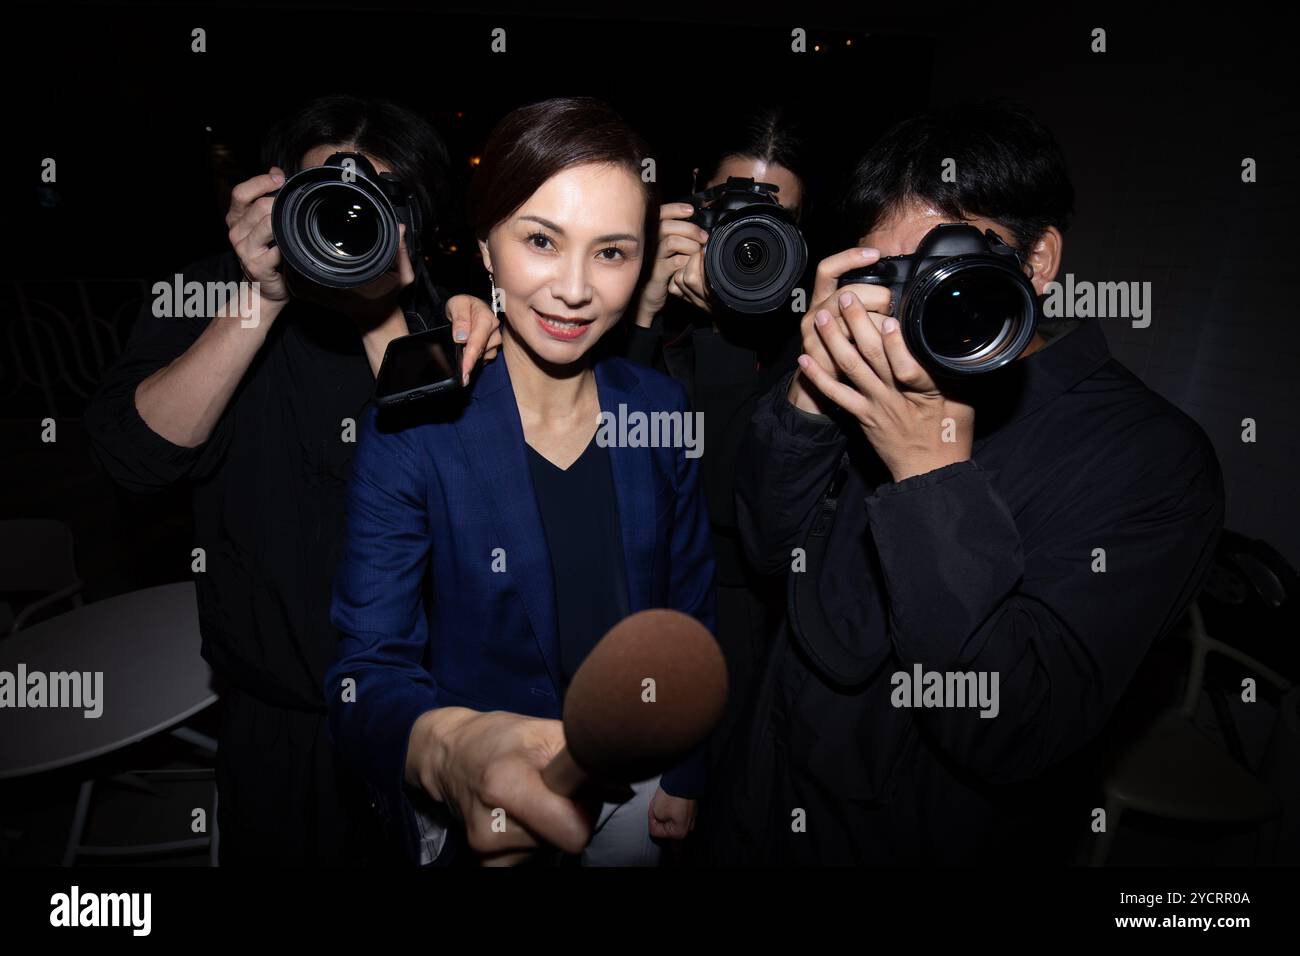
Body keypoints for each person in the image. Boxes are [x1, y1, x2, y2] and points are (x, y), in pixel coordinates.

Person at [712, 98, 1225, 865]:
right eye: (892, 271)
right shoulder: (863, 366)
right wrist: (811, 388)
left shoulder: (1153, 460)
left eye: (945, 266)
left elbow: (1014, 725)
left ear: (1038, 261)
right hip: (762, 797)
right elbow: (765, 546)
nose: (916, 302)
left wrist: (928, 471)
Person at [84, 94, 501, 865]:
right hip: (270, 715)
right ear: (278, 197)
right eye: (328, 194)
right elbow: (135, 461)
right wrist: (264, 295)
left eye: (377, 200)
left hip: (420, 708)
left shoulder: (443, 321)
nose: (349, 217)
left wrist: (380, 309)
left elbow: (462, 506)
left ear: (415, 219)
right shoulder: (212, 293)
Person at [326, 97, 717, 867]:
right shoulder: (414, 427)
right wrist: (454, 750)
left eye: (611, 252)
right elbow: (364, 675)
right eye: (541, 240)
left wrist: (686, 767)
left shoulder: (661, 407)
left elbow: (688, 603)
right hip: (487, 794)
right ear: (486, 247)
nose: (574, 288)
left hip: (637, 773)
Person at [620, 105, 811, 854]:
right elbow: (600, 453)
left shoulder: (803, 339)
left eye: (774, 221)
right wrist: (643, 307)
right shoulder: (626, 293)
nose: (748, 236)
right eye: (733, 206)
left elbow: (733, 507)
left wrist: (731, 327)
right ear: (697, 197)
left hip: (729, 613)